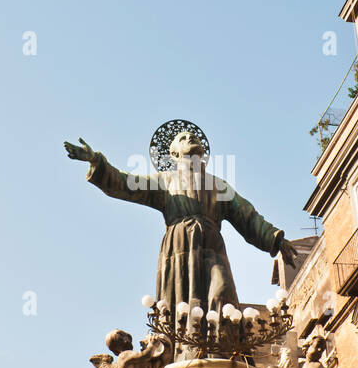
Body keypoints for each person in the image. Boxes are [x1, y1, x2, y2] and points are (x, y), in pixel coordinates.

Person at [64, 129, 297, 328]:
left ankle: (222, 350)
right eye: (183, 137)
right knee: (181, 300)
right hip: (179, 244)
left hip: (212, 245)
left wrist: (276, 240)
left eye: (193, 136)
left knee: (222, 292)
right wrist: (96, 161)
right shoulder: (164, 181)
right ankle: (185, 350)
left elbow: (247, 215)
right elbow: (125, 184)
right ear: (174, 153)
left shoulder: (218, 185)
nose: (190, 137)